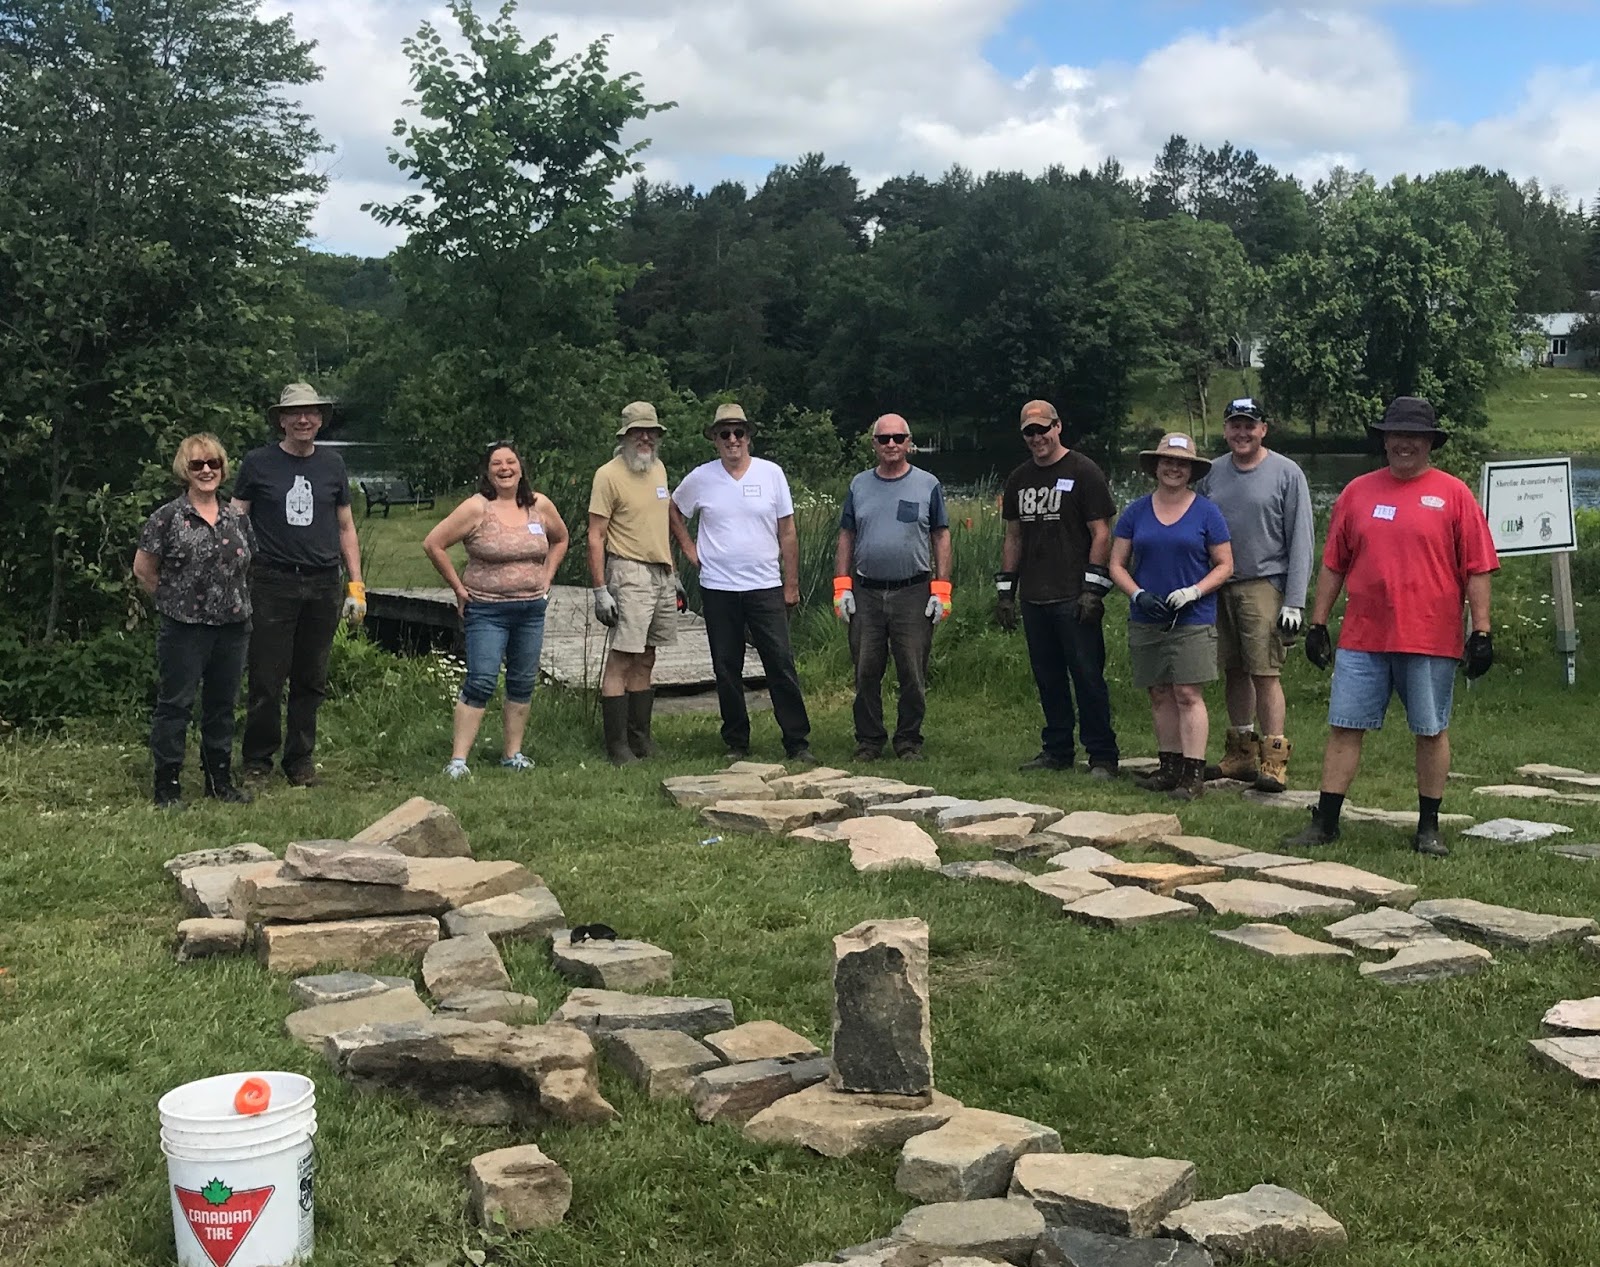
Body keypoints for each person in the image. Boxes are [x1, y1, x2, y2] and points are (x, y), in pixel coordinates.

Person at [1285, 396, 1497, 857]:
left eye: (1414, 437)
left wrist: (1481, 631)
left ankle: (1428, 827)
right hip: (1364, 636)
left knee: (1430, 729)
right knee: (1344, 726)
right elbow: (1333, 564)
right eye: (1396, 435)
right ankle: (1326, 821)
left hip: (1429, 635)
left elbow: (1477, 566)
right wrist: (1318, 622)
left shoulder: (1454, 494)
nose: (1404, 444)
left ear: (1428, 443)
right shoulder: (1357, 492)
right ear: (1385, 440)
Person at [232, 382, 365, 787]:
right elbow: (237, 520)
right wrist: (234, 572)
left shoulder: (333, 465)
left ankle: (301, 761)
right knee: (267, 677)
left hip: (323, 582)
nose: (303, 419)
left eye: (311, 413)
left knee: (311, 676)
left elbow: (345, 525)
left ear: (321, 419)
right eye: (295, 413)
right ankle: (257, 761)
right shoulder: (258, 463)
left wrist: (356, 584)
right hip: (272, 580)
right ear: (282, 420)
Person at [670, 403, 815, 763]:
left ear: (749, 436)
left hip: (765, 584)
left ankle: (797, 741)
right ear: (715, 441)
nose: (732, 440)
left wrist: (791, 583)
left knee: (780, 662)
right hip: (718, 585)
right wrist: (690, 548)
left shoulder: (771, 474)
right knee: (726, 665)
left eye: (739, 433)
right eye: (725, 434)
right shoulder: (701, 478)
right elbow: (672, 509)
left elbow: (788, 530)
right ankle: (736, 740)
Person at [423, 442, 569, 778]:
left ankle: (512, 753)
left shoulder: (539, 506)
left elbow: (561, 538)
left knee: (522, 681)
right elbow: (433, 543)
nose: (505, 469)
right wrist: (458, 589)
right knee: (482, 680)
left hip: (531, 608)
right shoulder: (477, 508)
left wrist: (547, 577)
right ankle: (458, 761)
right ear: (487, 472)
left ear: (521, 468)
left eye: (511, 462)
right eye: (497, 464)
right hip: (487, 609)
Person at [1195, 398, 1314, 792]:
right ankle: (1241, 753)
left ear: (1264, 428)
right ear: (1226, 429)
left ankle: (1274, 759)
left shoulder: (1286, 473)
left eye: (1250, 425)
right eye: (1234, 426)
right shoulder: (1211, 473)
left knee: (1265, 671)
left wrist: (1295, 600)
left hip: (1265, 583)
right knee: (1233, 669)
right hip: (1219, 582)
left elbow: (1302, 539)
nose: (1242, 433)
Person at [996, 399, 1119, 777]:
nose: (1037, 438)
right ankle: (1057, 749)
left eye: (1043, 429)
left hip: (1073, 592)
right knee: (1047, 677)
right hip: (1035, 594)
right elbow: (1013, 537)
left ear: (1058, 427)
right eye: (1029, 432)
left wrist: (1093, 588)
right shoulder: (1018, 479)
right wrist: (1006, 591)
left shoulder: (1084, 471)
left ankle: (1102, 754)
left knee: (1087, 675)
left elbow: (1102, 532)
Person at [1108, 433, 1234, 801]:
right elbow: (1116, 563)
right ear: (1156, 467)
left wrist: (1195, 590)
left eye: (1181, 463)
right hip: (1147, 614)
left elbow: (1225, 564)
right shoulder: (1136, 511)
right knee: (1160, 692)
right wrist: (1136, 593)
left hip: (1193, 615)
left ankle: (1193, 773)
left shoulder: (1207, 512)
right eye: (1168, 461)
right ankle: (1169, 766)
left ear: (1191, 470)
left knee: (1187, 692)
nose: (1174, 468)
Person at [133, 434, 255, 808]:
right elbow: (143, 570)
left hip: (233, 626)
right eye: (197, 465)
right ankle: (167, 786)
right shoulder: (167, 518)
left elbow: (247, 567)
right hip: (184, 628)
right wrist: (174, 603)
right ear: (184, 471)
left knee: (222, 705)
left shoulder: (238, 518)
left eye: (213, 464)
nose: (206, 471)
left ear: (222, 468)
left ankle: (219, 781)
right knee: (175, 705)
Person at [833, 413, 952, 762]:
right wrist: (842, 586)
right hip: (866, 591)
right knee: (866, 669)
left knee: (912, 670)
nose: (891, 445)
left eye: (898, 438)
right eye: (884, 439)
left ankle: (908, 740)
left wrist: (941, 589)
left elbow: (941, 536)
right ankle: (869, 740)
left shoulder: (928, 484)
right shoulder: (858, 485)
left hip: (913, 591)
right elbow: (846, 535)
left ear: (909, 442)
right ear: (874, 444)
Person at [588, 401, 681, 765]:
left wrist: (674, 575)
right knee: (623, 657)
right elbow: (595, 535)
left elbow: (660, 525)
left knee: (647, 655)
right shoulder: (607, 475)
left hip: (661, 572)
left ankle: (640, 738)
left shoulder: (658, 468)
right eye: (637, 431)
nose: (645, 437)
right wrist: (600, 590)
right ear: (624, 435)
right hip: (627, 571)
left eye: (651, 431)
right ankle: (617, 746)